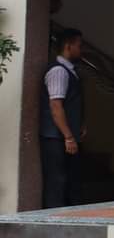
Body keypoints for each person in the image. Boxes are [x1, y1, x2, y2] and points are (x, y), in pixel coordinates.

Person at [40, 28, 85, 208]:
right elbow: (56, 106)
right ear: (68, 46)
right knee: (57, 183)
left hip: (65, 137)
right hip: (56, 138)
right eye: (79, 46)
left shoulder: (69, 71)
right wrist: (68, 136)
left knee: (69, 182)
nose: (81, 50)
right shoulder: (58, 71)